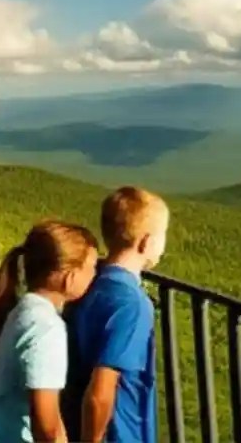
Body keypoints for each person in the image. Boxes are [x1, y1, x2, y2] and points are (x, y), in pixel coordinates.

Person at [0, 221, 99, 443]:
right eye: (90, 267)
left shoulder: (24, 309)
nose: (94, 274)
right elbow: (47, 426)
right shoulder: (46, 329)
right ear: (69, 277)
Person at [65, 187, 168, 443]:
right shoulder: (133, 305)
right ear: (147, 243)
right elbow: (101, 392)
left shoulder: (90, 282)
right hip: (120, 434)